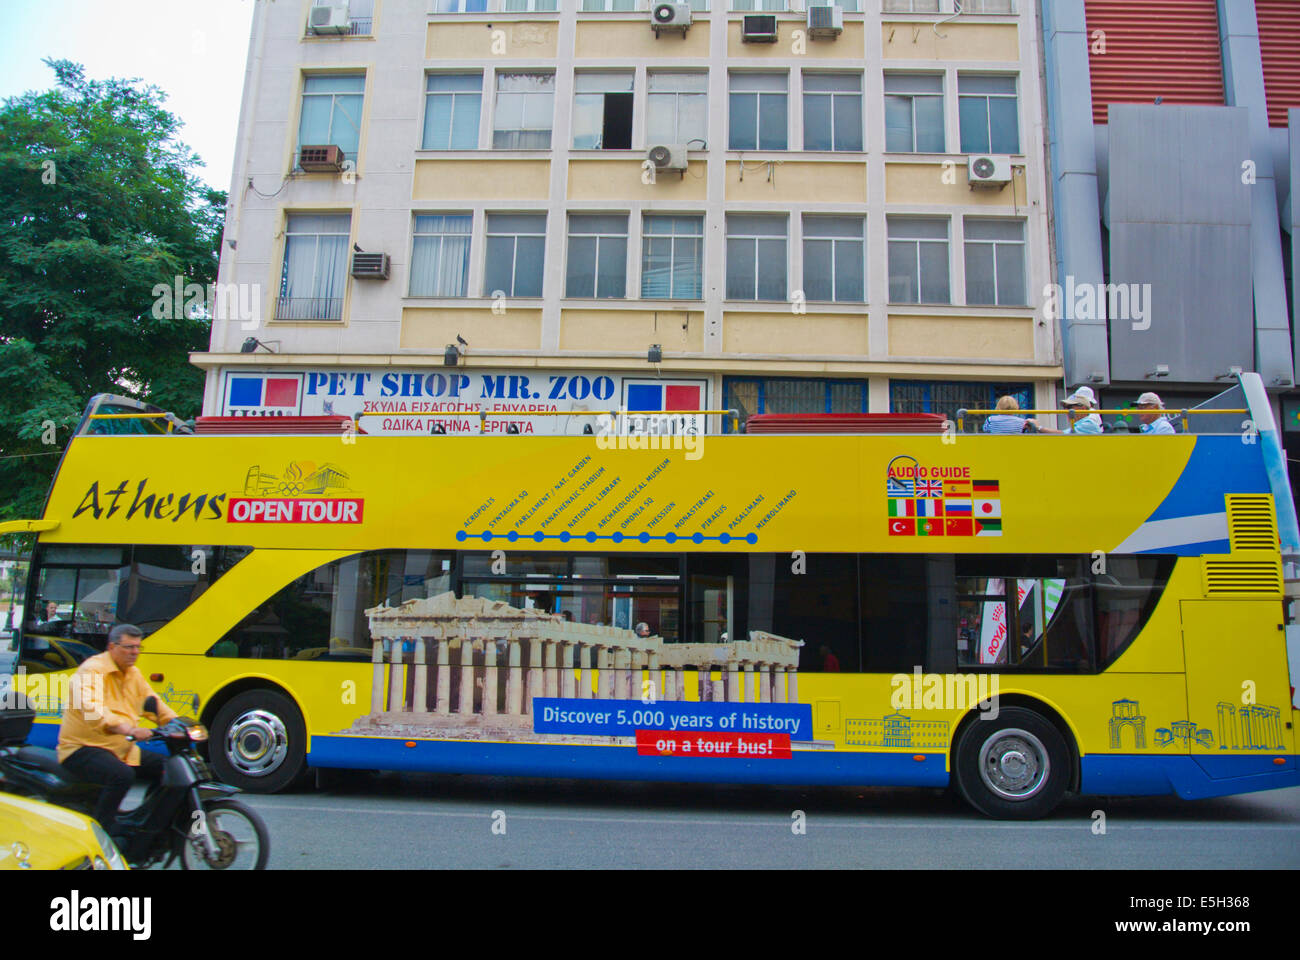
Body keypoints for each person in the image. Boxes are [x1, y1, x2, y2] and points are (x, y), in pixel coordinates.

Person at [57, 624, 177, 836]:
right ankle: (104, 831)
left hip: (120, 748)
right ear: (112, 646)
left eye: (138, 647)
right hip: (82, 748)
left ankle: (147, 824)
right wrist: (127, 728)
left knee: (169, 768)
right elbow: (93, 709)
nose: (135, 653)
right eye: (129, 647)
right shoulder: (92, 670)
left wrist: (178, 724)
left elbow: (152, 703)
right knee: (122, 775)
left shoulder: (133, 674)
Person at [1031, 386, 1102, 435]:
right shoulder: (1079, 424)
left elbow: (1062, 435)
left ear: (1083, 408)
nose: (1066, 410)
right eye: (1064, 407)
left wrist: (1039, 427)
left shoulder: (1088, 423)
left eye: (1069, 407)